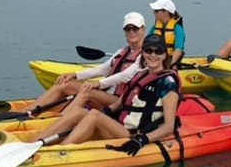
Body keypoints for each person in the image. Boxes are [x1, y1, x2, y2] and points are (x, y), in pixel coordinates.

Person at [33, 33, 181, 152]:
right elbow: (118, 103)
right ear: (143, 53)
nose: (153, 55)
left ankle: (60, 152)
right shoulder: (140, 74)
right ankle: (33, 144)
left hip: (134, 134)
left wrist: (143, 139)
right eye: (149, 50)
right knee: (79, 111)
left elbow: (169, 126)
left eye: (158, 51)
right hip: (120, 126)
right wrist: (105, 111)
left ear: (164, 55)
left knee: (94, 115)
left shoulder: (168, 83)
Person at [27, 12, 149, 113]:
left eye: (135, 28)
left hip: (119, 100)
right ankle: (29, 111)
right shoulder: (122, 51)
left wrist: (98, 83)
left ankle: (59, 121)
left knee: (87, 92)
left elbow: (126, 75)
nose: (131, 32)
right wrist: (74, 75)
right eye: (128, 29)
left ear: (143, 30)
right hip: (106, 94)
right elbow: (101, 69)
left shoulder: (147, 55)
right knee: (65, 83)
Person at [148, 0, 186, 67]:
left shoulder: (178, 28)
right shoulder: (154, 27)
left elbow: (178, 50)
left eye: (156, 11)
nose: (153, 13)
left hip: (171, 62)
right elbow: (146, 44)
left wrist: (169, 66)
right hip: (156, 60)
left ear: (166, 12)